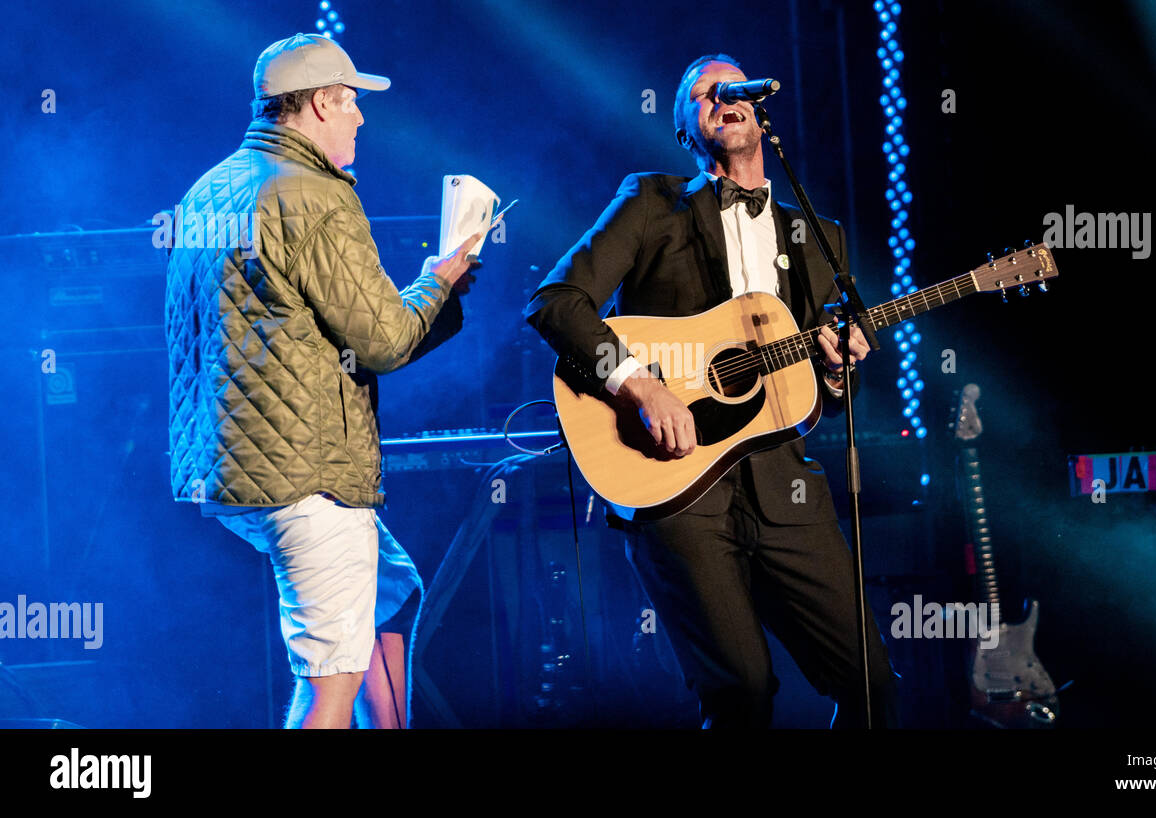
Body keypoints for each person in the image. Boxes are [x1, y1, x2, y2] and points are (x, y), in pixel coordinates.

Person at [524, 54, 899, 728]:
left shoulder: (818, 238)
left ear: (760, 111)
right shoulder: (650, 203)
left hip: (785, 488)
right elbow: (557, 302)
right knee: (743, 695)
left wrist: (841, 367)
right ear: (684, 130)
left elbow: (827, 395)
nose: (721, 98)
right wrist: (640, 385)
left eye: (733, 88)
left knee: (873, 686)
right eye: (703, 94)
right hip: (676, 490)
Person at [164, 33, 478, 728]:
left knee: (392, 595)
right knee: (328, 688)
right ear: (316, 104)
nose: (361, 118)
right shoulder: (312, 195)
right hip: (307, 478)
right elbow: (386, 339)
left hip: (228, 470)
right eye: (351, 104)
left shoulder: (209, 189)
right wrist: (441, 282)